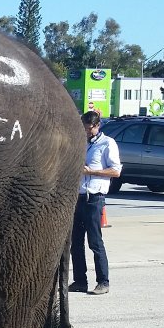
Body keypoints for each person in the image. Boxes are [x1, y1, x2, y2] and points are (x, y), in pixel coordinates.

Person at [70, 111, 122, 296]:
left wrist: (92, 171)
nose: (86, 131)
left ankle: (103, 281)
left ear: (97, 125)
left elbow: (115, 172)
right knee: (75, 242)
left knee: (95, 242)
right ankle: (80, 281)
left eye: (88, 128)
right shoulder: (82, 143)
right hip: (78, 197)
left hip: (95, 198)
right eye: (83, 128)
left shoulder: (108, 143)